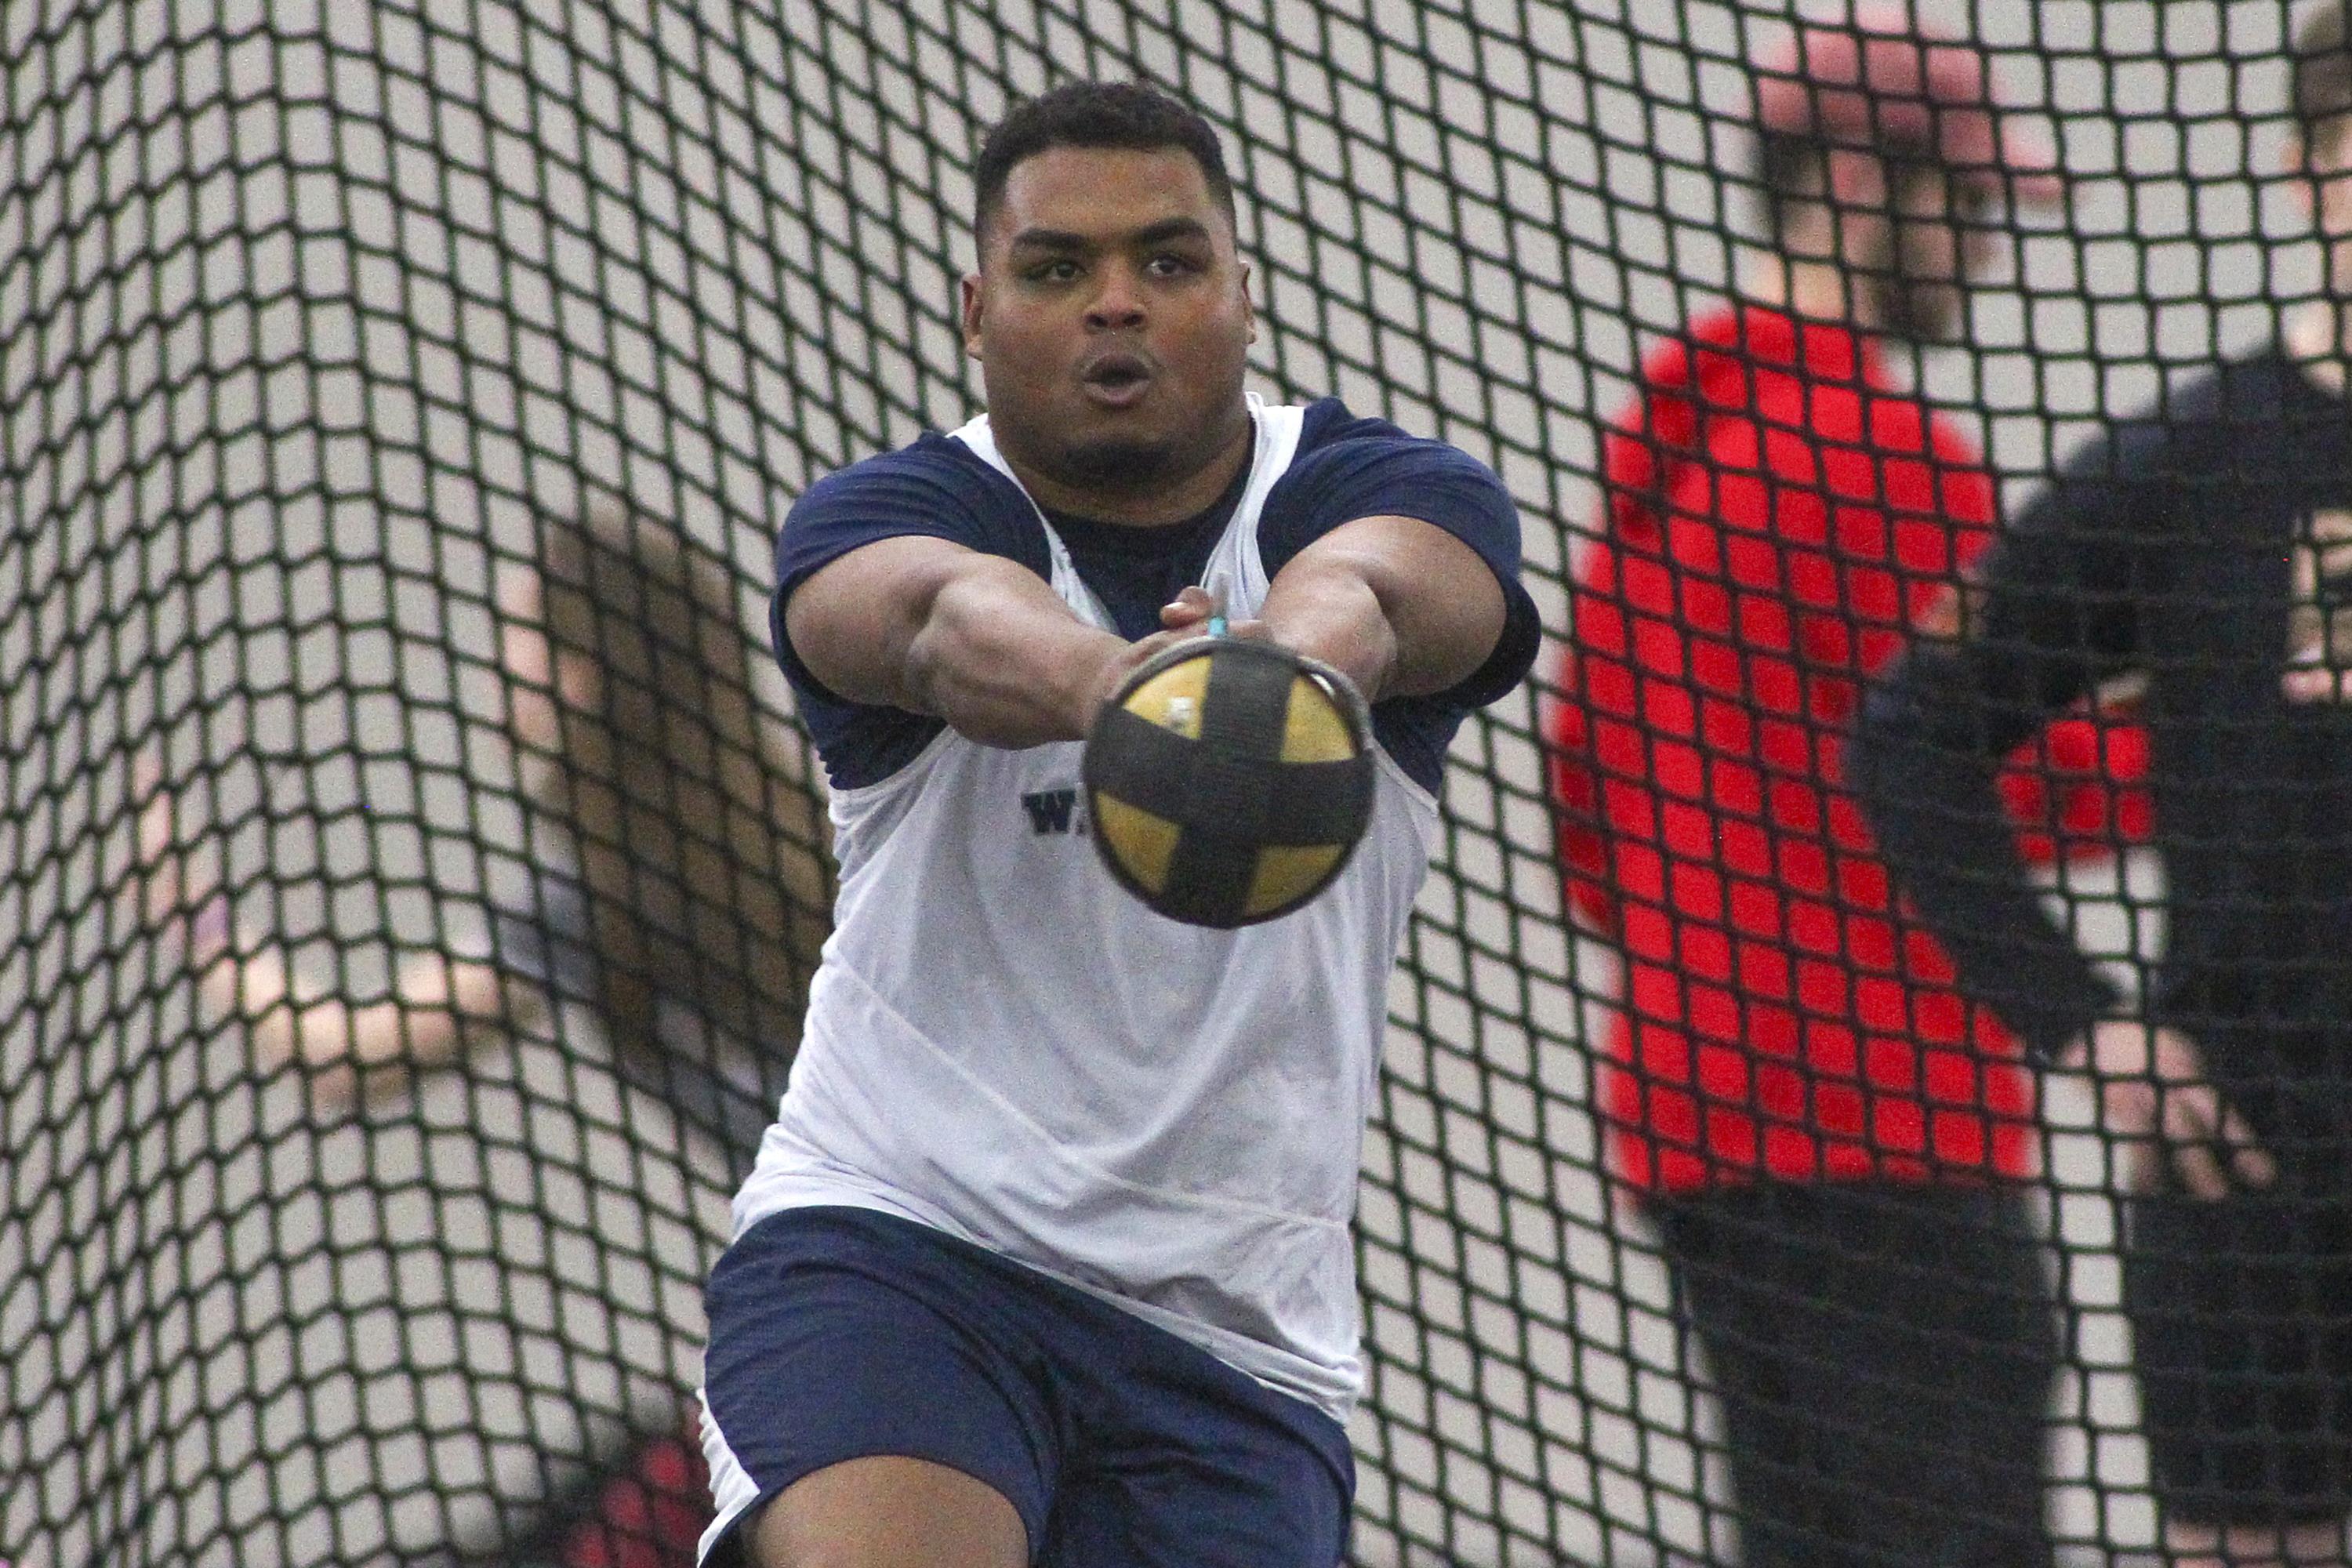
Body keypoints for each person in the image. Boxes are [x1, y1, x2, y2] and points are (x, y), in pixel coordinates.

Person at [694, 79, 1537, 1568]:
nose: (1115, 308)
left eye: (1168, 261)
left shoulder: (1379, 485)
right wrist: (1122, 689)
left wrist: (1275, 675)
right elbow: (944, 626)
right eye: (1055, 269)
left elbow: (1388, 594)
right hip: (904, 1245)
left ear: (1244, 292)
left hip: (1235, 1335)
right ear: (975, 306)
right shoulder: (892, 511)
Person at [1547, 11, 2152, 1567]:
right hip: (1884, 1127)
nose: (1984, 247)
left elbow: (1589, 828)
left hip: (1702, 1132)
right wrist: (2235, 717)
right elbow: (2002, 779)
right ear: (1858, 184)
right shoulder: (1877, 450)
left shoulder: (1672, 445)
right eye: (1965, 203)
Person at [1853, 5, 2352, 1563]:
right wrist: (2086, 1023)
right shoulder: (2196, 466)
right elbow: (1912, 733)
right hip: (2256, 1172)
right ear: (2303, 174)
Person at [140, 503, 832, 1567]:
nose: (503, 690)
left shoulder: (612, 900)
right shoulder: (761, 845)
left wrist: (204, 925)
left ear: (582, 675)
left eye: (522, 647)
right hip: (839, 1346)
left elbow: (340, 1055)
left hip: (864, 1341)